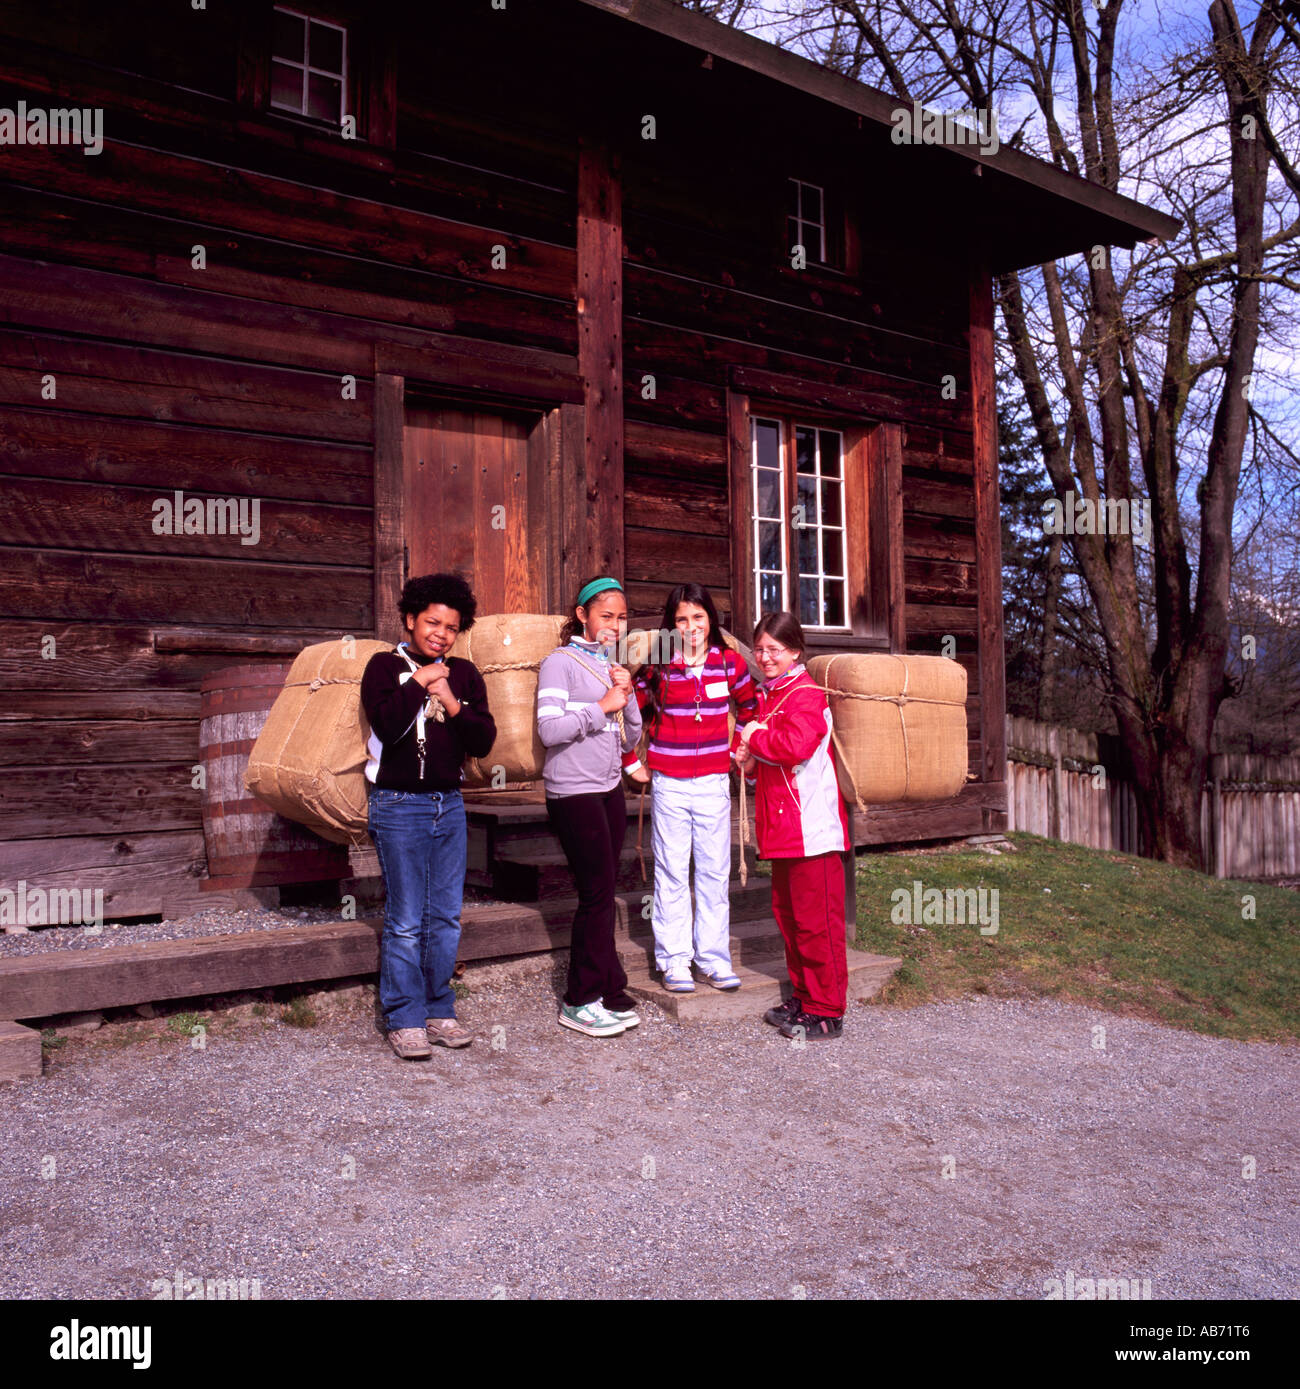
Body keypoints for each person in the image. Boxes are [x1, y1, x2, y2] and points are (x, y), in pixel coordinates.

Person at [360, 573, 497, 1060]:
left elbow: (482, 741)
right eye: (432, 622)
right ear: (410, 620)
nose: (441, 633)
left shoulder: (464, 674)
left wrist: (451, 700)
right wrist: (420, 682)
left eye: (451, 626)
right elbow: (387, 724)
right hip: (398, 804)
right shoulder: (382, 667)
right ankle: (404, 1017)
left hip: (449, 805)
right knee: (404, 919)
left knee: (445, 917)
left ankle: (440, 1009)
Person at [620, 584, 758, 992]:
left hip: (715, 781)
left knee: (715, 871)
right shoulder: (659, 666)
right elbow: (631, 710)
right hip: (669, 783)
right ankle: (674, 961)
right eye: (682, 619)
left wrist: (739, 750)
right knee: (672, 871)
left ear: (710, 620)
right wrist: (631, 761)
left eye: (698, 617)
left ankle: (713, 960)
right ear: (672, 624)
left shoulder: (730, 664)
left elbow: (750, 709)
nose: (691, 626)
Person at [732, 611, 851, 1041]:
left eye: (774, 650)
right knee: (791, 918)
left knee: (817, 922)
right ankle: (804, 997)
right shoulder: (770, 695)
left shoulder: (805, 694)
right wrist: (746, 752)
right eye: (759, 649)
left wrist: (753, 739)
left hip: (811, 829)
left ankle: (827, 1010)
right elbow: (759, 750)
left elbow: (794, 746)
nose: (765, 657)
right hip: (782, 828)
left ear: (795, 651)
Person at [536, 576, 644, 1037]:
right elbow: (549, 731)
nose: (615, 626)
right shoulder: (559, 663)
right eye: (606, 616)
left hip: (607, 788)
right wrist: (602, 705)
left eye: (621, 618)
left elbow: (631, 737)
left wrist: (630, 695)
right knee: (595, 893)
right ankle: (579, 1000)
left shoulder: (610, 665)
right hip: (572, 791)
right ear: (582, 615)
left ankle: (609, 987)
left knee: (604, 891)